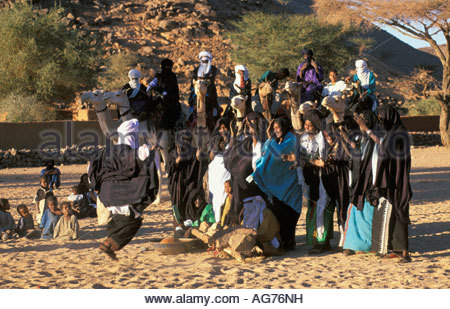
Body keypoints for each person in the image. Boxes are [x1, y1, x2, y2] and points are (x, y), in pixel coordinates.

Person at [89, 119, 159, 260]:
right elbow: (145, 155)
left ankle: (109, 242)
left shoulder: (104, 152)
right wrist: (152, 149)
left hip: (107, 195)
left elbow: (91, 168)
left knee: (122, 218)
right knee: (134, 220)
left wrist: (95, 187)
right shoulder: (136, 151)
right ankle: (111, 242)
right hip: (125, 194)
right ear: (132, 136)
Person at [355, 105, 412, 262]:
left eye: (382, 118)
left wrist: (366, 129)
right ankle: (394, 249)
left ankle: (405, 253)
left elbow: (385, 148)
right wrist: (365, 129)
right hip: (390, 180)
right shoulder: (391, 133)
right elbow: (381, 143)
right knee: (391, 215)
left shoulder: (399, 133)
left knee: (400, 213)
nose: (380, 121)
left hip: (398, 181)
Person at [252, 117, 303, 251]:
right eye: (273, 128)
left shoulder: (291, 140)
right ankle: (284, 242)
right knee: (280, 215)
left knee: (290, 215)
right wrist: (270, 136)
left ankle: (290, 242)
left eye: (277, 128)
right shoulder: (277, 141)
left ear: (284, 127)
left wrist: (270, 139)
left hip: (290, 186)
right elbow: (265, 151)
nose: (276, 131)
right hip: (278, 186)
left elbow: (278, 155)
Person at [341, 110, 380, 255]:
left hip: (370, 183)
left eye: (362, 120)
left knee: (369, 214)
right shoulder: (361, 139)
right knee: (355, 213)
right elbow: (355, 151)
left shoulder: (377, 139)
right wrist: (343, 136)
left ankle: (370, 245)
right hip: (358, 182)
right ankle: (353, 244)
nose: (359, 122)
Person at [297, 110, 334, 254]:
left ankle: (321, 242)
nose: (306, 128)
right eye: (305, 125)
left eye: (309, 125)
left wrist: (310, 161)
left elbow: (324, 159)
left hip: (323, 178)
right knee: (315, 208)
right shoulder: (303, 138)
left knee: (322, 208)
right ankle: (319, 241)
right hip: (310, 178)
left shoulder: (322, 138)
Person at [168, 133, 208, 224]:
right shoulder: (174, 153)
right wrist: (178, 158)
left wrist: (199, 158)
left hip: (191, 186)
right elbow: (169, 169)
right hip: (178, 187)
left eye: (188, 141)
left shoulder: (194, 152)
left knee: (191, 207)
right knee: (178, 210)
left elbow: (202, 166)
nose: (185, 143)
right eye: (183, 140)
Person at [188, 51, 222, 131]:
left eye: (206, 61)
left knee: (216, 111)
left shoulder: (213, 69)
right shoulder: (196, 70)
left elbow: (211, 80)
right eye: (203, 61)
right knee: (190, 112)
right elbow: (192, 81)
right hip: (197, 92)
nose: (204, 63)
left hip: (210, 92)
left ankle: (215, 131)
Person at [147, 58, 181, 131]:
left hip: (170, 99)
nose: (167, 69)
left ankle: (171, 129)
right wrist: (150, 90)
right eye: (165, 67)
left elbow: (173, 88)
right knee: (149, 108)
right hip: (159, 98)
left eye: (169, 67)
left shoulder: (173, 77)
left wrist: (165, 93)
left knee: (173, 112)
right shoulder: (158, 76)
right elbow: (151, 85)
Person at [208, 133, 231, 223]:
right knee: (216, 203)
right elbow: (211, 157)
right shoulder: (215, 158)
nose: (222, 143)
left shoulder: (228, 155)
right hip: (216, 184)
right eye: (220, 142)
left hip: (225, 186)